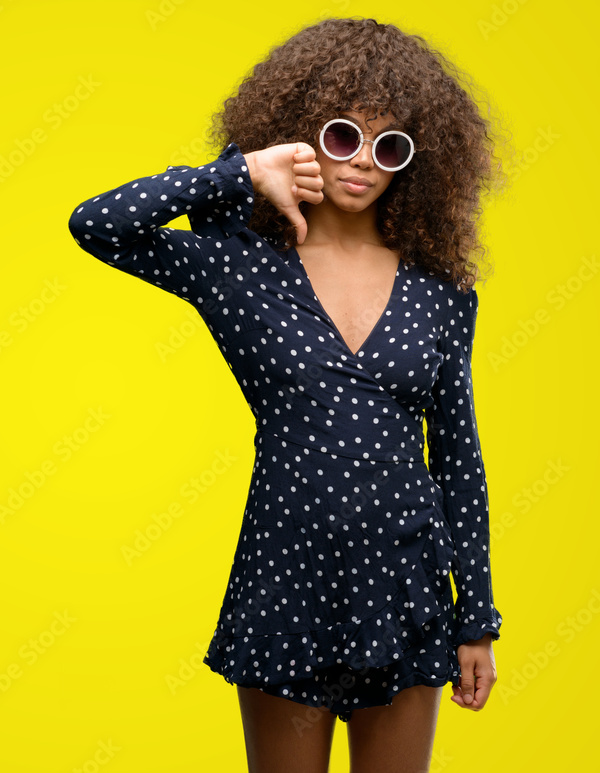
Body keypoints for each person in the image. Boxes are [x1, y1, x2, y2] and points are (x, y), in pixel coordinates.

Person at [67, 16, 505, 773]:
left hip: (406, 587)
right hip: (287, 579)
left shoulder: (442, 289)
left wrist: (478, 618)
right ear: (299, 134)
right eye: (343, 135)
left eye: (389, 145)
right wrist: (237, 174)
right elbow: (97, 224)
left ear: (416, 162)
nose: (364, 161)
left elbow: (458, 456)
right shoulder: (240, 267)